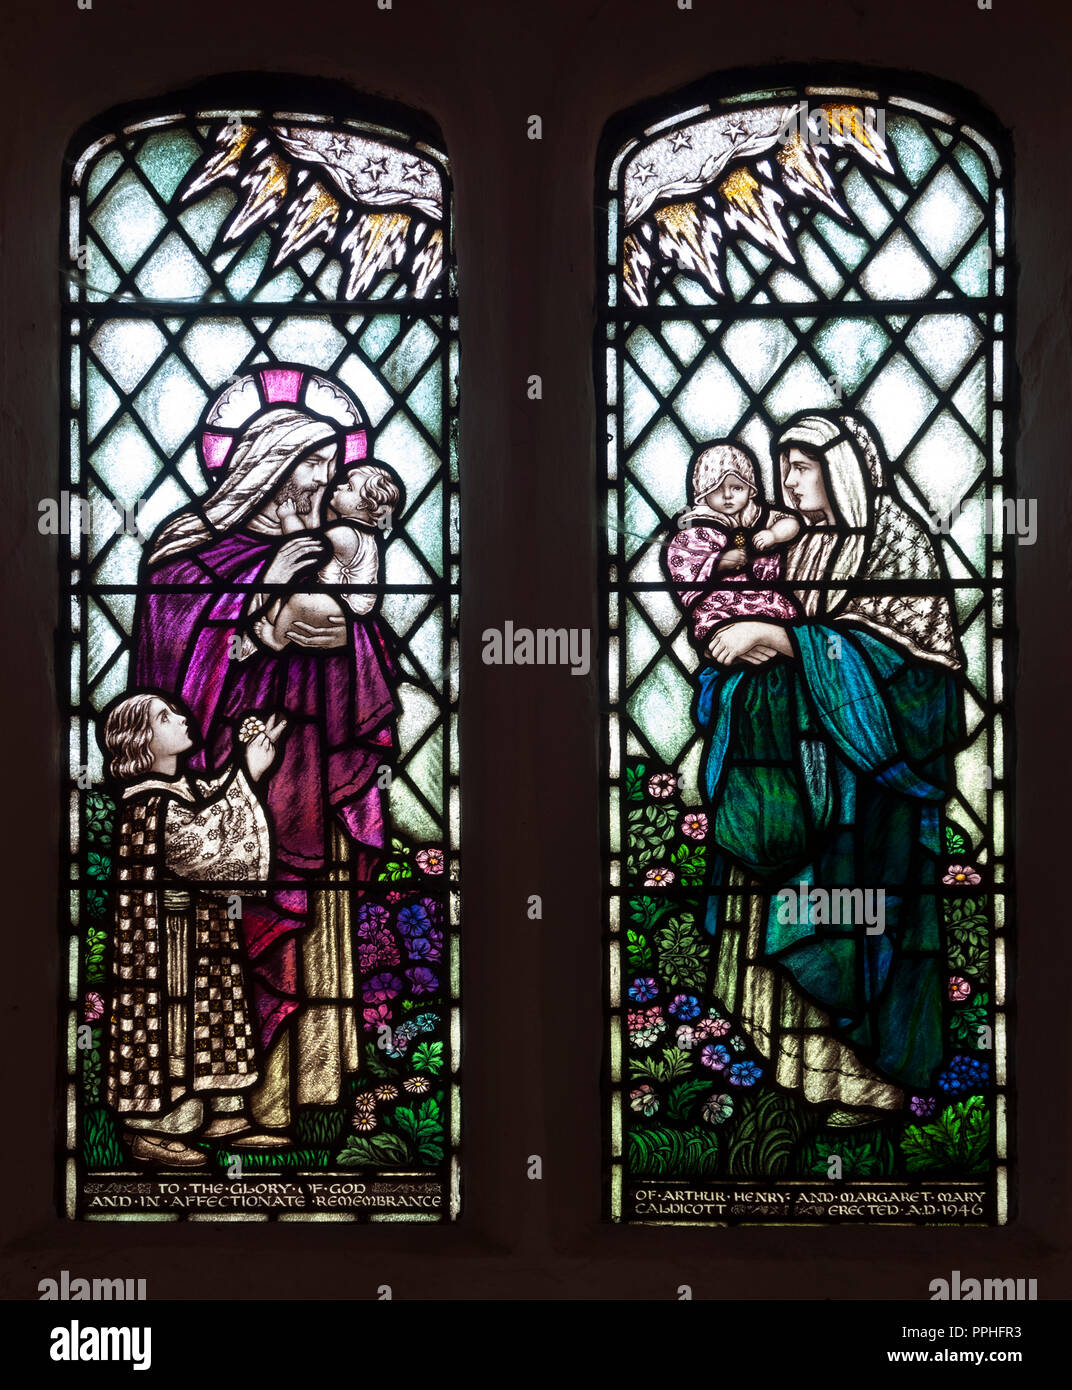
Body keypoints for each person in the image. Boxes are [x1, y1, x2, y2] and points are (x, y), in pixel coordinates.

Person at [678, 412, 963, 1125]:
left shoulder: (896, 540)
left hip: (872, 802)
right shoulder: (800, 546)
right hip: (793, 782)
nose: (787, 480)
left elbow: (923, 685)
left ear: (841, 470)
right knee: (791, 908)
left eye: (801, 465)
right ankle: (795, 1074)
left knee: (859, 921)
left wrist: (785, 639)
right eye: (784, 465)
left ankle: (871, 1080)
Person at [132, 404, 401, 1134]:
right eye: (314, 462)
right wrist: (256, 607)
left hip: (311, 763)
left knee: (308, 916)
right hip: (229, 769)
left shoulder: (328, 550)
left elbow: (353, 635)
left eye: (329, 463)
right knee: (226, 934)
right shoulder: (191, 554)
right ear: (272, 470)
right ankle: (206, 1103)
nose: (327, 476)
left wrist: (318, 622)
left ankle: (292, 1098)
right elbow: (172, 644)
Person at [102, 694, 286, 1165]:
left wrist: (248, 768)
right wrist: (248, 775)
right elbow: (203, 845)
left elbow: (211, 806)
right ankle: (153, 1128)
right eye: (166, 717)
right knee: (174, 1020)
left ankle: (226, 1115)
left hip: (203, 933)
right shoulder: (147, 802)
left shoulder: (180, 791)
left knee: (216, 1009)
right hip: (166, 943)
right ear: (142, 742)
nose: (182, 717)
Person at [665, 442, 801, 640]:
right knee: (712, 626)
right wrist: (719, 562)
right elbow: (683, 564)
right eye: (717, 489)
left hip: (765, 599)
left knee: (783, 620)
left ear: (750, 489)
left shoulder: (760, 515)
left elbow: (792, 523)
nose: (728, 496)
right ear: (703, 492)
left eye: (737, 487)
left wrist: (773, 535)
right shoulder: (696, 526)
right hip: (718, 603)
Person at [264, 463, 402, 644]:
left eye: (349, 487)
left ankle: (277, 640)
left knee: (301, 601)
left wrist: (288, 517)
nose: (339, 486)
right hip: (341, 604)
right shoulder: (365, 534)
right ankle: (278, 624)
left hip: (341, 604)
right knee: (292, 598)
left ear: (362, 504)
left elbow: (306, 544)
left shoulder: (345, 534)